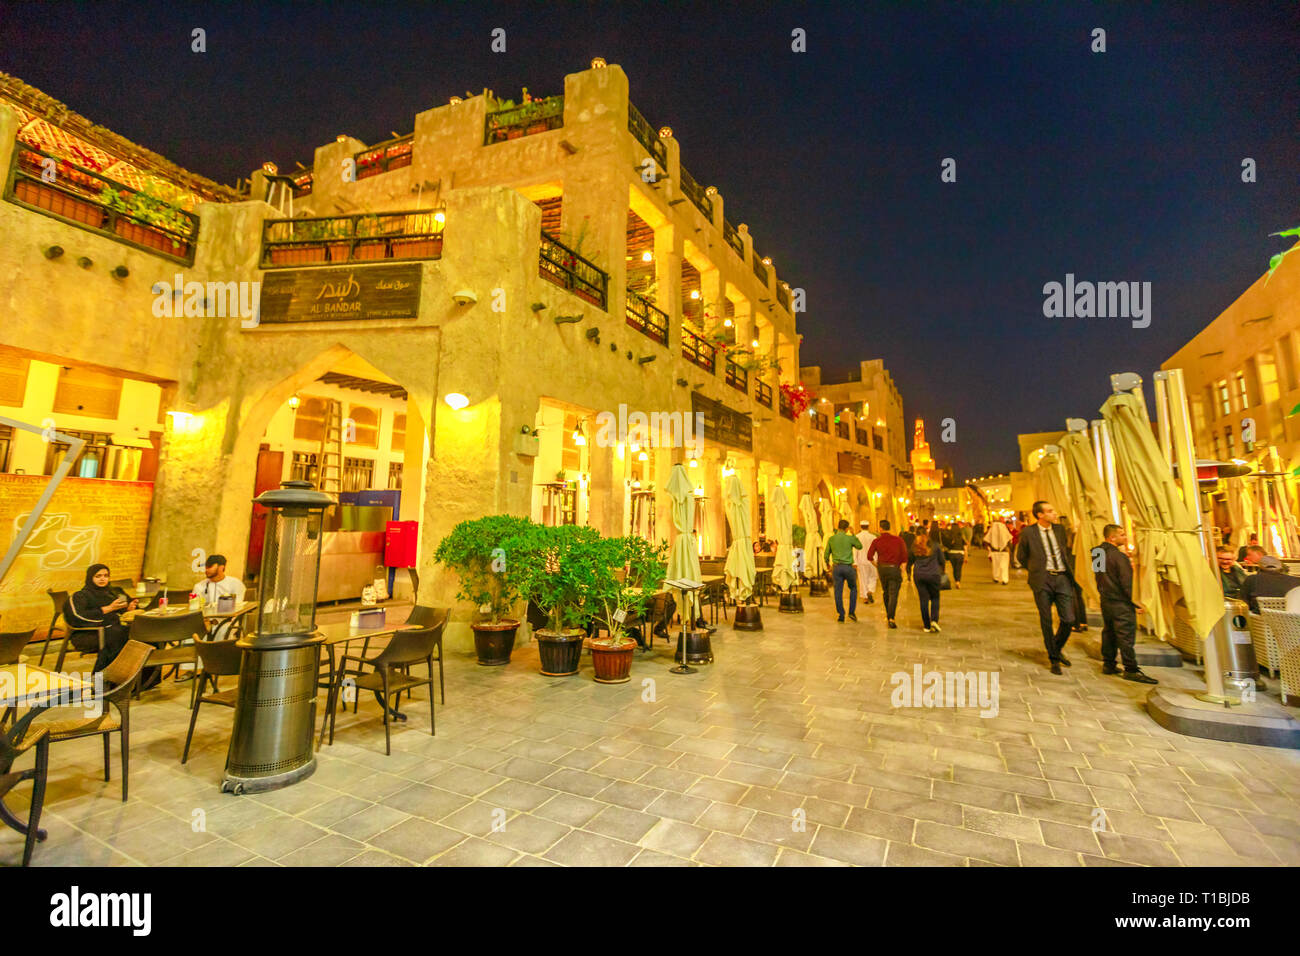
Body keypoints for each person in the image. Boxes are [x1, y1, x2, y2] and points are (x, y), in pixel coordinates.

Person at [1016, 500, 1077, 674]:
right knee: (1046, 620)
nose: (1054, 513)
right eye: (1050, 511)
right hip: (1042, 580)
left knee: (1068, 619)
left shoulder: (1059, 530)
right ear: (1040, 515)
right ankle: (1053, 658)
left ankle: (1055, 648)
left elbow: (1064, 551)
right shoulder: (1028, 532)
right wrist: (1036, 570)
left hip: (1062, 578)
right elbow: (1021, 556)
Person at [1095, 524, 1157, 684]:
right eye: (1122, 535)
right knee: (1125, 636)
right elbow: (1127, 583)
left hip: (1106, 600)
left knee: (1109, 632)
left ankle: (1108, 664)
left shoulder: (1097, 553)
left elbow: (1098, 577)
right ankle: (1131, 669)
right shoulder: (1119, 557)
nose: (1125, 537)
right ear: (1112, 538)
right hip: (1121, 602)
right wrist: (1136, 603)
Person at [65, 563, 138, 673]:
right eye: (98, 576)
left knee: (140, 636)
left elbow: (121, 609)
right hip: (87, 634)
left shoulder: (113, 592)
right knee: (121, 636)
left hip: (112, 630)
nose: (102, 579)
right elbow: (77, 617)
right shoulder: (80, 595)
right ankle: (105, 678)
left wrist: (129, 608)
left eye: (105, 575)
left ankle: (140, 679)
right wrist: (107, 609)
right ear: (90, 577)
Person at [194, 554, 247, 640]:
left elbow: (237, 607)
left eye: (210, 567)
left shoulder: (235, 584)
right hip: (205, 621)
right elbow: (195, 608)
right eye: (206, 567)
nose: (206, 570)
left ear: (221, 567)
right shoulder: (199, 586)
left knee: (224, 630)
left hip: (227, 621)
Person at [867, 519, 908, 628]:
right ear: (889, 528)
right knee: (893, 593)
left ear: (880, 528)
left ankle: (888, 614)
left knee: (885, 591)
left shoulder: (877, 541)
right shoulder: (898, 540)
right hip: (894, 569)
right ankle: (891, 617)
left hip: (882, 568)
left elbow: (869, 556)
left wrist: (877, 565)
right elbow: (904, 557)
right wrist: (902, 571)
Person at [824, 519, 863, 622]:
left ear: (837, 527)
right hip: (848, 567)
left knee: (838, 591)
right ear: (847, 529)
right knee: (853, 588)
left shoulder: (831, 539)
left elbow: (826, 554)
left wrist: (827, 563)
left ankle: (841, 615)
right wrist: (853, 534)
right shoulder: (849, 538)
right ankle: (851, 612)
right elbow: (859, 546)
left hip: (836, 567)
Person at [910, 532, 947, 632]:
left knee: (923, 599)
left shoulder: (915, 547)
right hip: (933, 574)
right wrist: (943, 570)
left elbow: (910, 560)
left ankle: (926, 625)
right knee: (935, 597)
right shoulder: (935, 546)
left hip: (919, 575)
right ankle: (934, 620)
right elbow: (942, 560)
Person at [853, 520, 878, 605]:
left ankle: (865, 598)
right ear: (868, 526)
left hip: (861, 560)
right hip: (872, 561)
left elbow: (855, 550)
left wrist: (855, 562)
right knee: (873, 577)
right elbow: (876, 550)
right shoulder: (873, 537)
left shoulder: (857, 537)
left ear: (860, 526)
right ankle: (870, 590)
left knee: (863, 579)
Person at [986, 518, 1012, 584]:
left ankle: (996, 578)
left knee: (995, 565)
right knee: (1004, 566)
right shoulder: (1004, 530)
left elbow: (987, 540)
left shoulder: (992, 530)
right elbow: (1009, 540)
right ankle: (1004, 579)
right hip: (1004, 551)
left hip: (994, 551)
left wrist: (990, 547)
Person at [942, 522, 966, 589]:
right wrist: (966, 556)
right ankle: (957, 581)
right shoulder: (960, 536)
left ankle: (956, 580)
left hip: (952, 554)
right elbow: (965, 546)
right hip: (960, 553)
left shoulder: (950, 536)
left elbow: (947, 544)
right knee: (959, 568)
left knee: (954, 568)